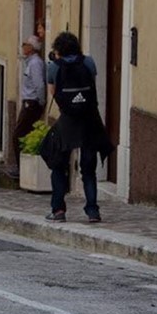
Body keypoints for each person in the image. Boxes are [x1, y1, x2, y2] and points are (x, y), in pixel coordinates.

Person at [40, 31, 113, 223]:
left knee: (58, 165)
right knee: (89, 168)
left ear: (58, 49)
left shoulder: (54, 68)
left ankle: (58, 210)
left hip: (68, 121)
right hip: (90, 120)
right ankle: (92, 211)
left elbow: (53, 93)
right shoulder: (88, 62)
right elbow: (93, 86)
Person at [11, 35, 46, 177]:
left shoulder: (35, 63)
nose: (22, 46)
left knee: (18, 135)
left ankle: (21, 170)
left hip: (32, 104)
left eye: (25, 44)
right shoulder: (30, 62)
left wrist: (41, 102)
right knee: (22, 134)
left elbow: (39, 84)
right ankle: (23, 168)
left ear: (31, 48)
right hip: (29, 102)